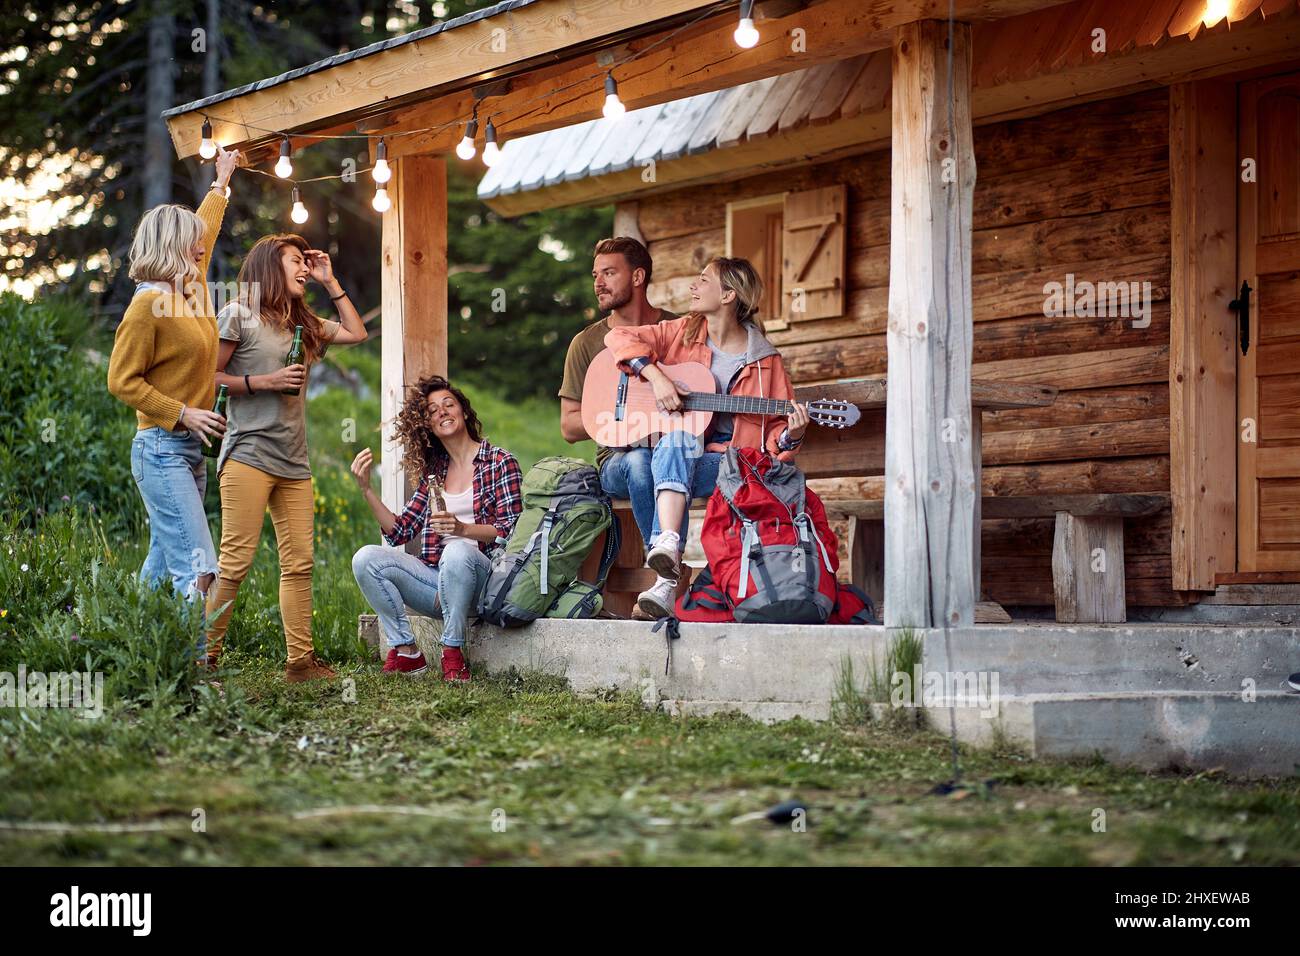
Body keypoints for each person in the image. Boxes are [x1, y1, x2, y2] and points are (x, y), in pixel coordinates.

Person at [604, 256, 810, 619]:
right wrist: (657, 377)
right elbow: (618, 336)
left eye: (703, 280)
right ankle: (668, 566)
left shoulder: (765, 361)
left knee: (669, 453)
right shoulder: (682, 332)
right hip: (680, 458)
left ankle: (666, 563)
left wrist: (792, 435)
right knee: (677, 441)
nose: (693, 287)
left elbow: (776, 434)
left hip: (728, 466)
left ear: (729, 294)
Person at [202, 235, 369, 682]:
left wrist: (331, 282)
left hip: (294, 463)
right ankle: (203, 660)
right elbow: (210, 378)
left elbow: (356, 332)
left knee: (299, 565)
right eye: (295, 261)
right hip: (248, 455)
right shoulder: (237, 314)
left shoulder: (305, 325)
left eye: (304, 262)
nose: (302, 269)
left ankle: (300, 663)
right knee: (235, 564)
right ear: (268, 267)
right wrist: (264, 381)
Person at [108, 145, 241, 615]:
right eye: (192, 241)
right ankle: (188, 677)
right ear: (170, 247)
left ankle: (130, 646)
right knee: (200, 567)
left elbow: (209, 222)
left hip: (189, 453)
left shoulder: (190, 288)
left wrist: (221, 180)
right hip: (160, 449)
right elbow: (121, 380)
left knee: (165, 563)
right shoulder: (146, 306)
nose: (202, 244)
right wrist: (181, 412)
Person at [351, 376, 522, 682]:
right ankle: (407, 652)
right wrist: (366, 490)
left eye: (449, 404)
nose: (442, 412)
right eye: (432, 411)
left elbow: (510, 531)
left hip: (484, 583)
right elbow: (399, 531)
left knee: (456, 549)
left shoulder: (499, 462)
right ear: (427, 425)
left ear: (464, 412)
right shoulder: (435, 473)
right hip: (438, 583)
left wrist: (462, 529)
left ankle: (452, 652)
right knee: (365, 558)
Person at [558, 237, 676, 617]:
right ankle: (663, 570)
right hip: (617, 462)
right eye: (595, 275)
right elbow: (570, 425)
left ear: (638, 276)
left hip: (675, 455)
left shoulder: (675, 330)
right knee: (640, 462)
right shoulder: (586, 342)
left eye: (609, 273)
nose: (598, 283)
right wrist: (625, 419)